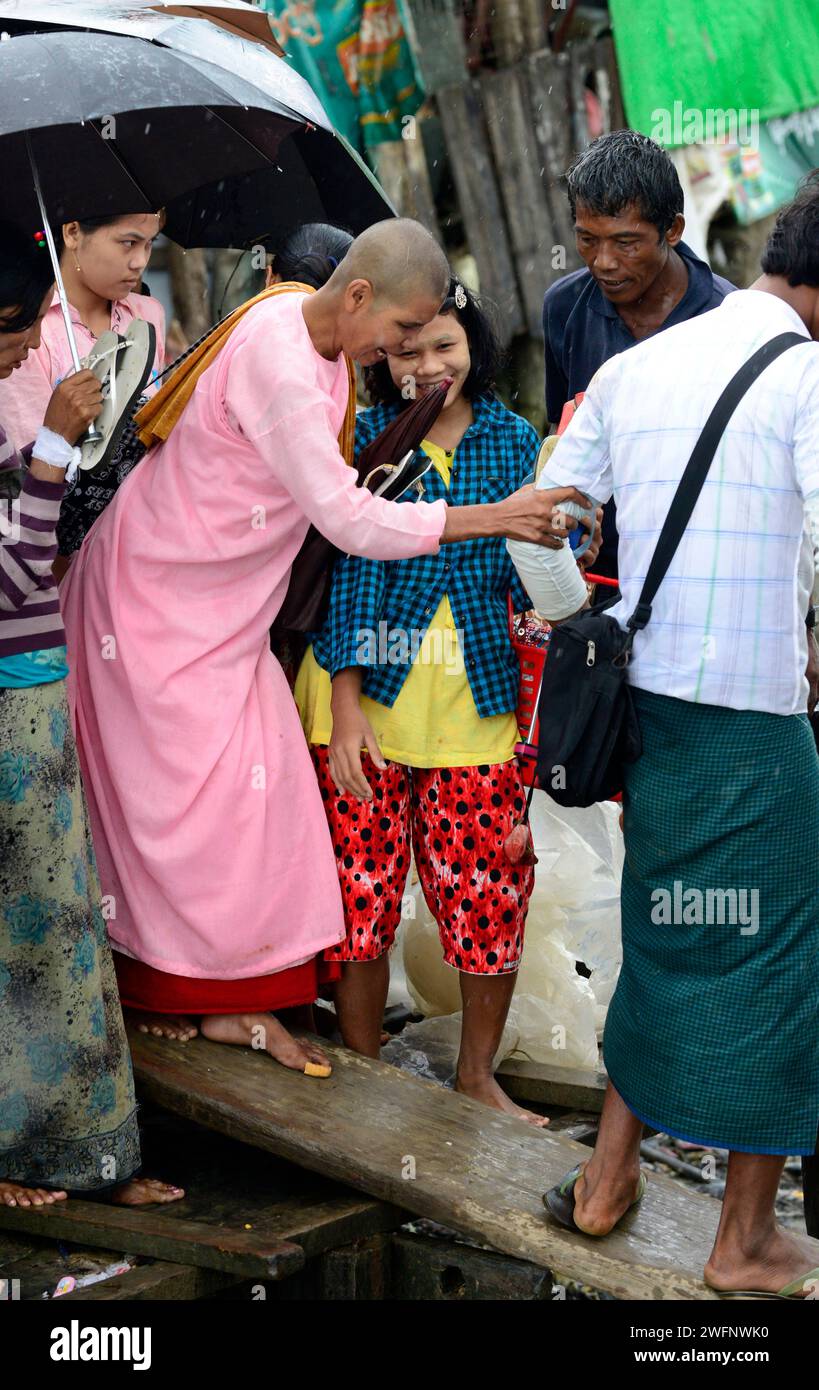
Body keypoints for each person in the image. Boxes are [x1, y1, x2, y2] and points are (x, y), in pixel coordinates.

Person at [61, 219, 586, 1080]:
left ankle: (232, 997)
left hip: (222, 606)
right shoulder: (285, 360)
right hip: (153, 595)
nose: (400, 354)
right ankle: (171, 991)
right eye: (399, 332)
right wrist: (492, 516)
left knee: (266, 800)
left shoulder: (309, 335)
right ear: (356, 298)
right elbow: (348, 520)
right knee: (181, 803)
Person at [510, 178, 819, 1298]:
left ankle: (605, 1181)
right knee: (781, 961)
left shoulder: (628, 376)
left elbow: (536, 520)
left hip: (649, 713)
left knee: (668, 925)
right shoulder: (806, 378)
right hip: (752, 723)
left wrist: (578, 627)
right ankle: (744, 1240)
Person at [295, 280, 596, 1123]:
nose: (429, 366)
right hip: (367, 713)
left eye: (446, 346)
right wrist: (346, 709)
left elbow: (540, 576)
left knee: (486, 896)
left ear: (476, 347)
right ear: (380, 356)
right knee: (362, 896)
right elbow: (345, 581)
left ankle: (474, 1075)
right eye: (408, 350)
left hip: (482, 711)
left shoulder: (514, 444)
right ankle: (361, 1070)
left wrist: (570, 536)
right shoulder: (361, 441)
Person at [0, 222, 182, 1210]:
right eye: (15, 331)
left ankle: (87, 1150)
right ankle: (15, 1154)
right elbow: (16, 564)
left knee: (62, 922)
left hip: (36, 676)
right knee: (16, 927)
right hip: (12, 681)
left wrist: (72, 456)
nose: (32, 348)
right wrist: (58, 448)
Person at [542, 130, 734, 576]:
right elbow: (560, 435)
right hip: (600, 574)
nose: (604, 261)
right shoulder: (564, 308)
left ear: (673, 229)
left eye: (625, 243)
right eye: (587, 239)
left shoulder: (727, 319)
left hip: (701, 567)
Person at [0, 211, 166, 564]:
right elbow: (20, 481)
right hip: (53, 555)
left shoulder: (148, 316)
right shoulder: (26, 329)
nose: (140, 261)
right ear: (73, 232)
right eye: (128, 242)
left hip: (132, 545)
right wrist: (60, 439)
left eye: (150, 244)